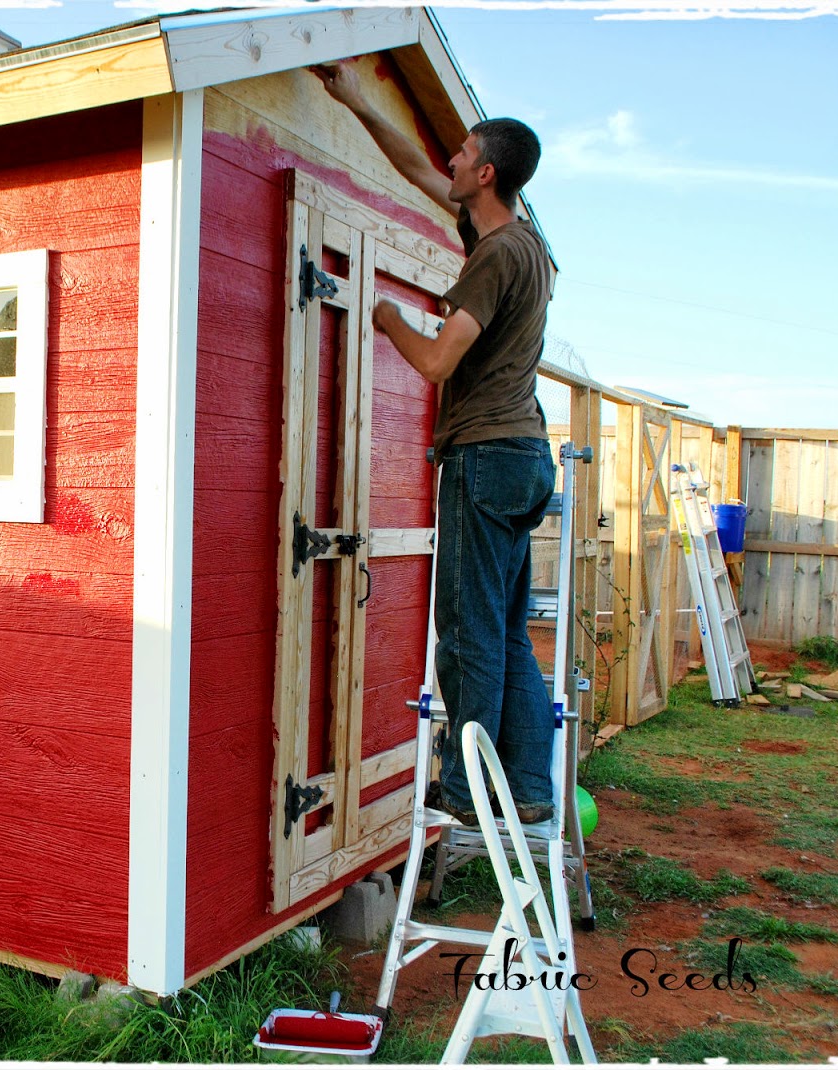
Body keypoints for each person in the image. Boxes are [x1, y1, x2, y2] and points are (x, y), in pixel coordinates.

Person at [312, 60, 557, 827]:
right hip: (524, 458)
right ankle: (528, 785)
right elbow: (418, 170)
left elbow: (438, 361)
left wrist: (386, 318)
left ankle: (465, 787)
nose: (448, 159)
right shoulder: (522, 244)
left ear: (485, 174)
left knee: (468, 630)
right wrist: (356, 101)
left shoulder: (496, 257)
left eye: (463, 153)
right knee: (507, 631)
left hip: (484, 455)